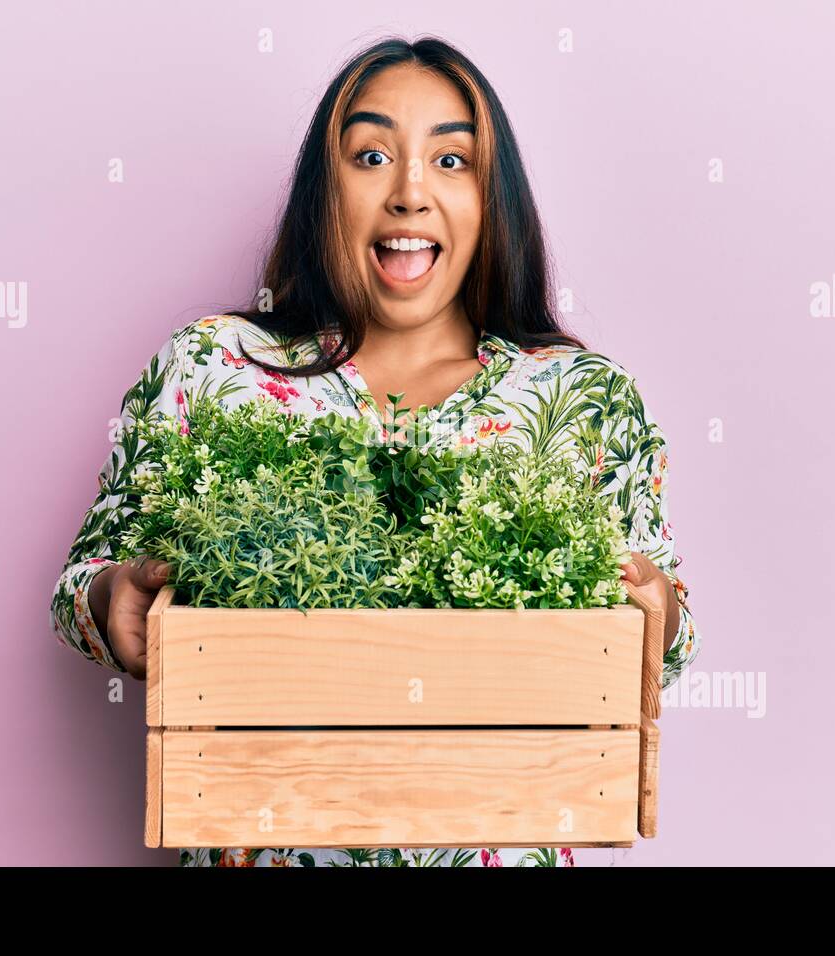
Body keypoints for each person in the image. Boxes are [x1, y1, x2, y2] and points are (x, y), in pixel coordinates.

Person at [50, 35, 698, 867]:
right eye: (371, 154)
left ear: (491, 199)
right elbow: (86, 581)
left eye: (452, 161)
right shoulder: (213, 368)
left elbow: (669, 634)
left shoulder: (583, 397)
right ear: (328, 194)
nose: (411, 193)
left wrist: (657, 613)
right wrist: (113, 600)